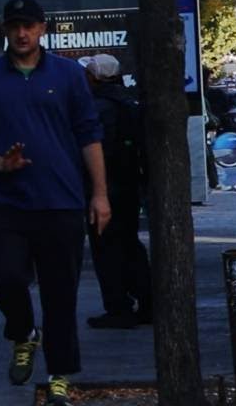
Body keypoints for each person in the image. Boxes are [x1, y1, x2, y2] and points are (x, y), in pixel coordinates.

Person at [0, 0, 110, 406]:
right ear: (5, 30)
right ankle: (23, 333)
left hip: (61, 200)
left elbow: (88, 134)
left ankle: (60, 373)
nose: (21, 33)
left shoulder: (67, 74)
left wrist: (99, 195)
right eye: (14, 26)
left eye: (28, 25)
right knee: (4, 277)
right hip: (5, 202)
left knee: (60, 294)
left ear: (43, 28)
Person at [79, 54, 152, 329]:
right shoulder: (126, 103)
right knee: (129, 244)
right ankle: (145, 301)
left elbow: (95, 149)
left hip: (105, 187)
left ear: (96, 78)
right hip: (127, 184)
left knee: (106, 248)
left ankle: (118, 305)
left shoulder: (98, 108)